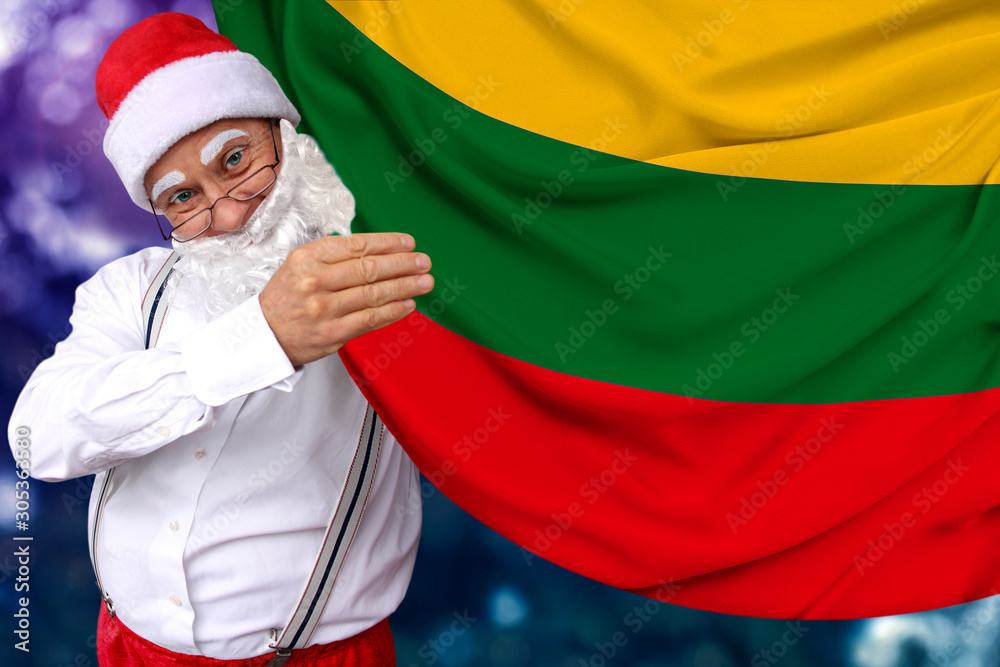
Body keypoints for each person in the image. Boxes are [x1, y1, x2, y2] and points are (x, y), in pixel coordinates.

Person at [7, 12, 435, 666]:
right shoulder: (131, 288)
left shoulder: (382, 267)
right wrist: (258, 339)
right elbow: (37, 437)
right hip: (127, 645)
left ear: (283, 136)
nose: (229, 212)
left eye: (235, 160)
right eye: (183, 196)